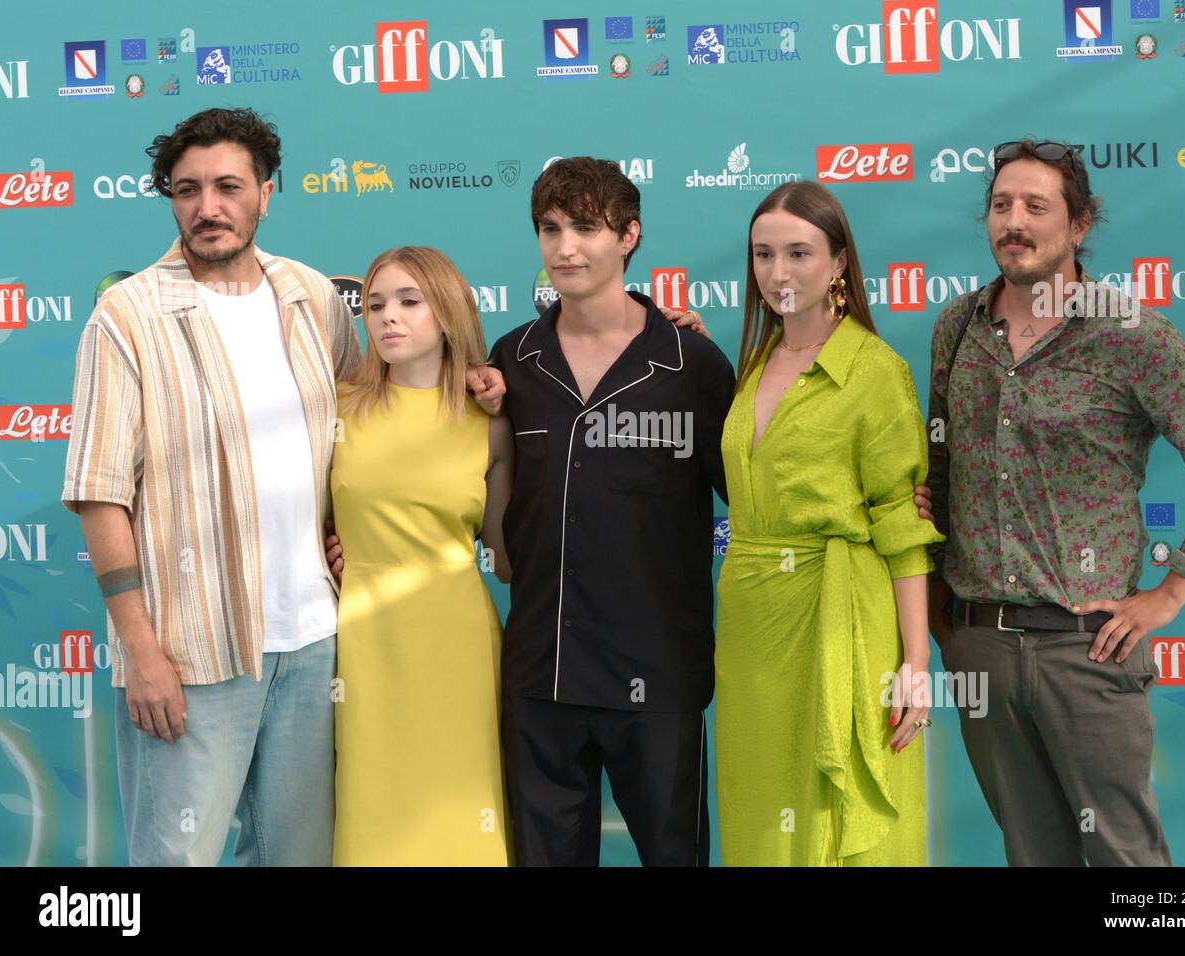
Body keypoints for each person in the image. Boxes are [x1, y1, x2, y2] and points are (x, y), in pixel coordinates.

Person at [62, 107, 503, 867]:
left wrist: (470, 383)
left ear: (266, 193)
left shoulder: (312, 300)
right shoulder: (124, 319)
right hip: (192, 651)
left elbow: (374, 411)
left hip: (315, 649)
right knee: (178, 858)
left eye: (228, 186)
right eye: (187, 188)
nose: (208, 207)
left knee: (297, 856)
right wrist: (140, 649)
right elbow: (101, 493)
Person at [924, 139, 1185, 866]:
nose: (1012, 221)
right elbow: (943, 466)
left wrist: (1170, 596)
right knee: (1032, 854)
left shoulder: (1131, 335)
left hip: (1087, 650)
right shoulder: (958, 328)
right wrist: (942, 622)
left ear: (1079, 225)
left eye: (1035, 206)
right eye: (1000, 205)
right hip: (979, 646)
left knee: (1126, 859)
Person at [486, 157, 736, 866]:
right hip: (542, 674)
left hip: (656, 675)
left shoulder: (692, 363)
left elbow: (756, 496)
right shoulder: (513, 359)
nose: (565, 247)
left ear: (629, 236)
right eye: (550, 228)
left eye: (586, 228)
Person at [713, 181, 943, 866]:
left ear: (840, 263)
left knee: (839, 820)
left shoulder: (874, 372)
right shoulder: (754, 364)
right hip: (752, 631)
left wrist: (916, 664)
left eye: (799, 254)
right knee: (761, 817)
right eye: (763, 255)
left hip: (842, 622)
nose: (778, 274)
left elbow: (903, 534)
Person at [330, 247, 514, 866]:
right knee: (372, 811)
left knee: (461, 813)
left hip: (455, 636)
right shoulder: (336, 409)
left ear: (448, 312)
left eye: (410, 301)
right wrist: (324, 550)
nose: (388, 317)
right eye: (377, 304)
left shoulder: (489, 418)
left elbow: (508, 554)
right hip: (360, 637)